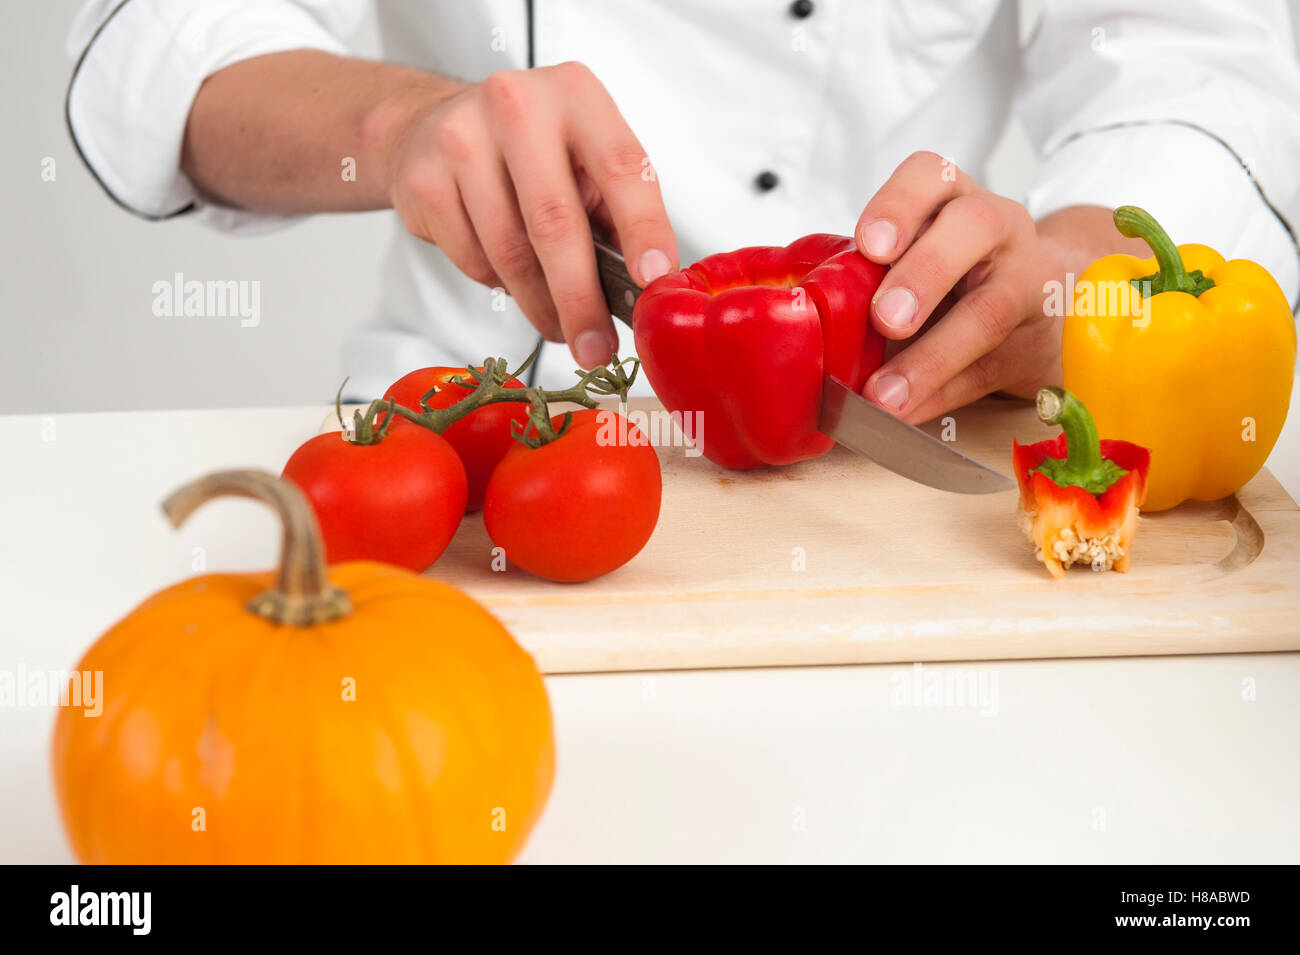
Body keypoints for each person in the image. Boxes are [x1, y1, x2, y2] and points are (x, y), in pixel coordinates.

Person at [67, 0, 1300, 422]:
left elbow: (1196, 50)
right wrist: (395, 132)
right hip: (479, 426)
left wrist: (1078, 276)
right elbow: (165, 41)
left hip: (916, 416)